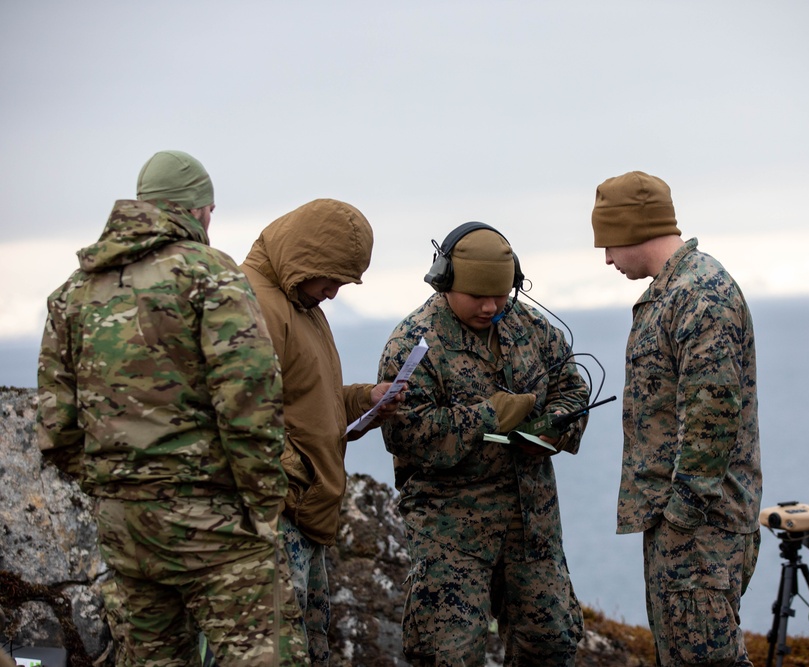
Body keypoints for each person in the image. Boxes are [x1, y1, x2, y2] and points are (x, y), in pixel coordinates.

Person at [35, 150, 308, 664]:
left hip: (125, 527)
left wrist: (113, 491)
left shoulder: (73, 293)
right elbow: (248, 399)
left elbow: (55, 423)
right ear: (201, 211)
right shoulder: (210, 276)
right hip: (215, 522)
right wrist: (261, 503)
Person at [379, 222, 590, 666]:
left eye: (501, 295)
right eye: (478, 297)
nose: (491, 307)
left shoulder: (530, 327)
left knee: (550, 645)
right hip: (450, 531)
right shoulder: (413, 343)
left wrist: (552, 430)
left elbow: (572, 388)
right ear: (445, 282)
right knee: (449, 655)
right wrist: (488, 416)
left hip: (532, 525)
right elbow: (405, 432)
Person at [590, 170, 763, 666]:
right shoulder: (676, 291)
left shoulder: (698, 295)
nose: (605, 257)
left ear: (632, 230)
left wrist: (681, 519)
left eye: (608, 242)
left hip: (700, 530)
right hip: (688, 527)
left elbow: (712, 416)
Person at [240, 198, 402, 665]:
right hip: (276, 518)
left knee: (307, 652)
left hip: (302, 514)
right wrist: (299, 477)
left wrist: (364, 399)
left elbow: (307, 401)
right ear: (304, 258)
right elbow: (241, 421)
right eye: (331, 277)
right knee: (275, 653)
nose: (333, 292)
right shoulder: (256, 306)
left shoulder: (300, 303)